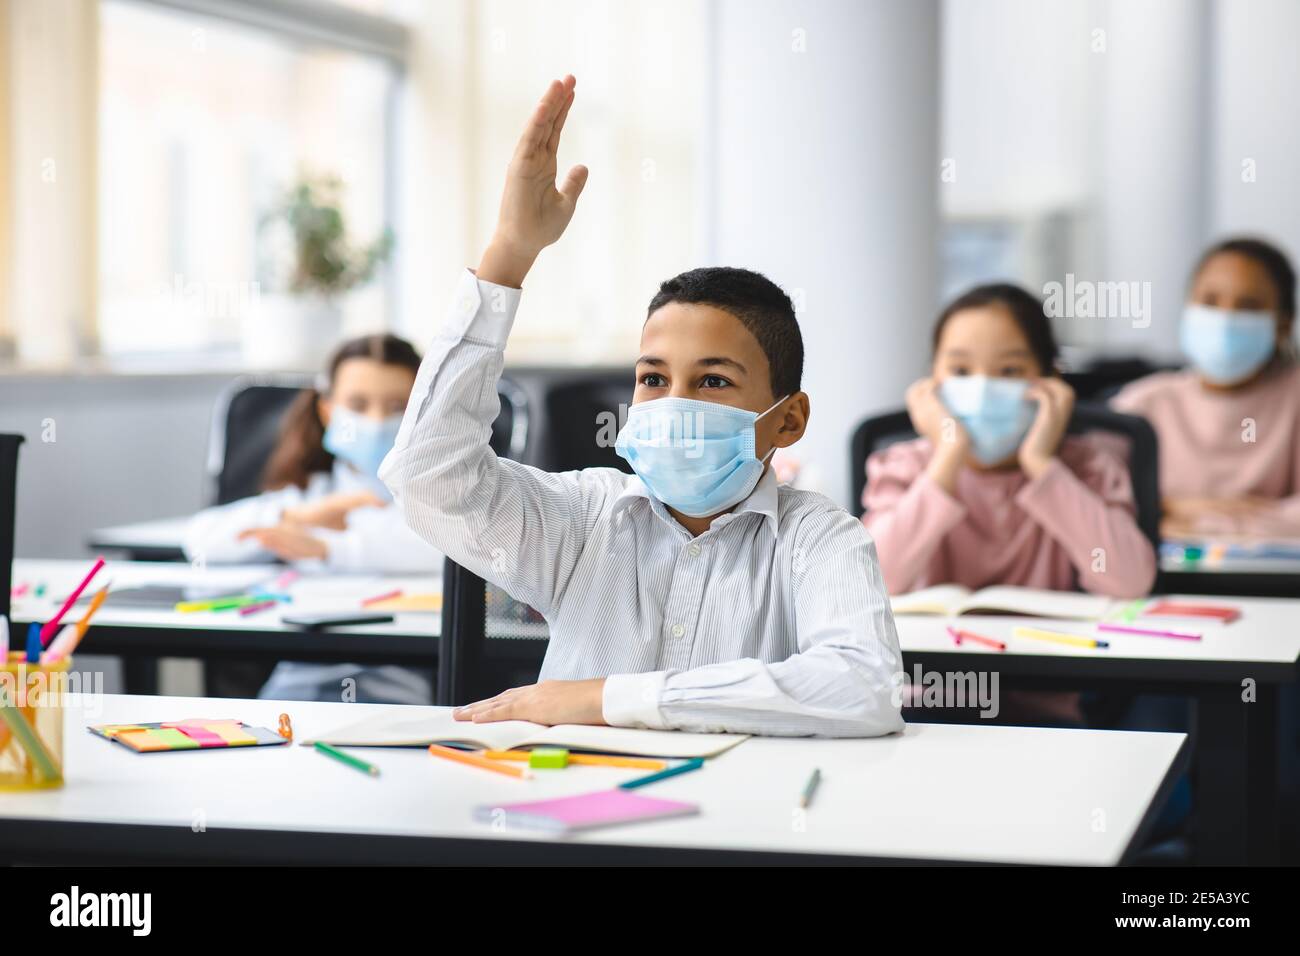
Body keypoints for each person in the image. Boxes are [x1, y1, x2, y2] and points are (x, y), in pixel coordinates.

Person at [380, 75, 903, 737]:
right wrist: (509, 256)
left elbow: (863, 687)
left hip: (741, 823)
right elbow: (427, 476)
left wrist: (608, 699)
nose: (674, 402)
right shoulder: (583, 519)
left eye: (713, 382)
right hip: (569, 812)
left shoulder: (818, 539)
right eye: (653, 380)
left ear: (789, 419)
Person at [183, 333, 440, 704]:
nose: (377, 420)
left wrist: (325, 548)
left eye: (397, 405)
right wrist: (294, 516)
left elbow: (444, 553)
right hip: (299, 681)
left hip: (399, 681)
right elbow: (200, 539)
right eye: (358, 403)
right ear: (326, 409)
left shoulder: (440, 498)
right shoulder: (311, 495)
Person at [862, 283, 1156, 601]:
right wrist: (948, 456)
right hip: (938, 651)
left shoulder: (1088, 468)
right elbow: (873, 581)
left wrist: (1042, 466)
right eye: (960, 370)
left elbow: (1130, 582)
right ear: (932, 381)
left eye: (1010, 370)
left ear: (1050, 380)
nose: (983, 389)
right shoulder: (905, 466)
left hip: (1051, 648)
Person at [1112, 236, 1300, 539]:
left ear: (1283, 325)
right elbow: (1099, 507)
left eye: (1249, 305)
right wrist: (1256, 514)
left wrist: (1175, 514)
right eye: (1210, 301)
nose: (1225, 318)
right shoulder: (1142, 403)